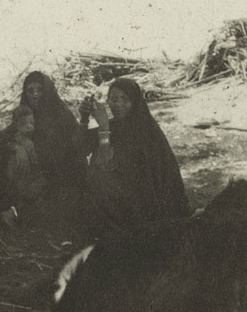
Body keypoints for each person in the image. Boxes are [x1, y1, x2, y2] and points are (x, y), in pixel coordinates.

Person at [80, 77, 189, 240]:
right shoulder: (114, 125)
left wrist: (103, 129)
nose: (118, 104)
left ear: (135, 102)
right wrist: (84, 117)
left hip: (144, 205)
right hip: (123, 198)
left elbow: (107, 165)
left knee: (98, 176)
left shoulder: (144, 131)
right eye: (114, 99)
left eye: (125, 99)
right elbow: (81, 147)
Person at [19, 71, 88, 190]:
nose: (35, 95)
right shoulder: (23, 116)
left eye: (40, 90)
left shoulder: (62, 115)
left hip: (64, 181)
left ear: (47, 91)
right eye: (30, 91)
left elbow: (78, 148)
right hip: (33, 182)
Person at [0, 105, 46, 223]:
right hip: (16, 181)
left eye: (31, 123)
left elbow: (37, 165)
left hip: (32, 180)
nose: (29, 126)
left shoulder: (34, 140)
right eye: (24, 123)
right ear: (16, 124)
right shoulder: (12, 137)